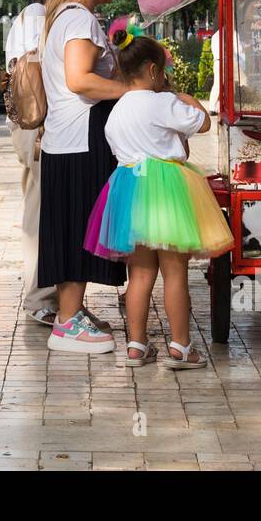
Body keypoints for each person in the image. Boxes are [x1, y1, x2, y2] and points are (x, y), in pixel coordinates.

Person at [83, 31, 226, 367]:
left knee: (140, 275)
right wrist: (186, 97)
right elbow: (203, 124)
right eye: (162, 71)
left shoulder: (116, 111)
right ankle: (180, 347)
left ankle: (135, 346)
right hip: (167, 190)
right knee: (175, 273)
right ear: (151, 69)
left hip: (129, 189)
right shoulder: (164, 102)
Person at [37, 0, 129, 353]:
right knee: (79, 227)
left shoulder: (66, 18)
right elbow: (80, 81)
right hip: (80, 138)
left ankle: (70, 313)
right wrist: (130, 90)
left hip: (66, 138)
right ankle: (68, 320)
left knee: (74, 224)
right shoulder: (79, 22)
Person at [4, 0, 61, 325]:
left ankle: (45, 294)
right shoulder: (39, 18)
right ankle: (40, 296)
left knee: (36, 204)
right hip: (39, 124)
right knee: (39, 211)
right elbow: (34, 75)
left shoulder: (35, 17)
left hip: (32, 124)